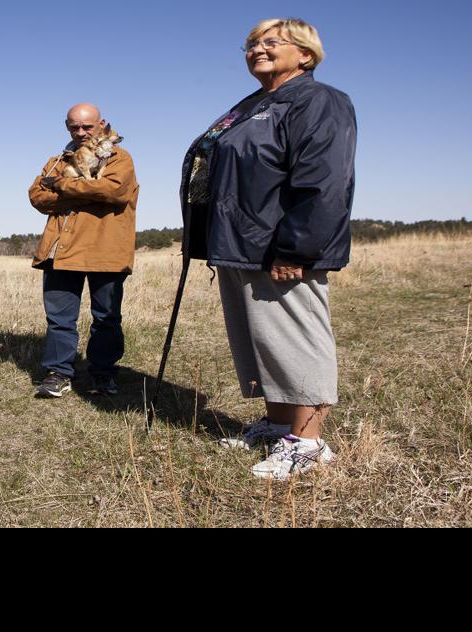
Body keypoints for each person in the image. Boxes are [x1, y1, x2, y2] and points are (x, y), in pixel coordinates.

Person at [179, 19, 356, 479]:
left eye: (271, 42)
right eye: (252, 44)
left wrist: (296, 249)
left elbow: (323, 182)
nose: (258, 49)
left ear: (305, 54)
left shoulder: (320, 101)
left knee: (297, 341)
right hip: (243, 245)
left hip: (280, 248)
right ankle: (280, 426)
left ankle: (309, 443)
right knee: (263, 343)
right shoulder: (255, 103)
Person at [27, 103, 139, 397]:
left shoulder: (119, 158)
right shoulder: (56, 160)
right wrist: (86, 193)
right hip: (61, 249)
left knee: (106, 317)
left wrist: (61, 186)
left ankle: (103, 374)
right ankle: (58, 373)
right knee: (59, 318)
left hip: (106, 248)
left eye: (87, 127)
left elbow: (113, 191)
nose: (80, 132)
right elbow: (37, 196)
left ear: (101, 125)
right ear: (66, 126)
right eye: (74, 127)